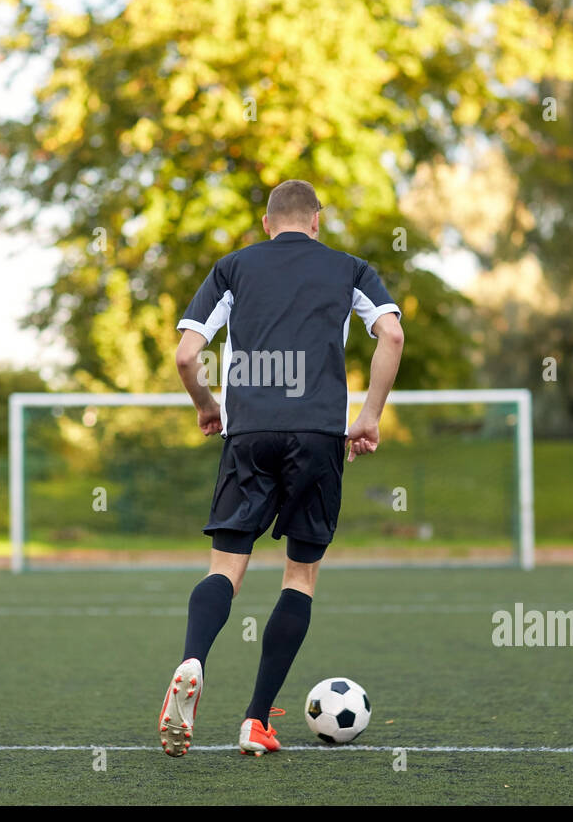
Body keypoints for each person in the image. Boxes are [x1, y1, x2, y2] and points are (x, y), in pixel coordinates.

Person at [158, 178, 404, 757]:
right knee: (299, 576)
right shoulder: (351, 269)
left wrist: (206, 406)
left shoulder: (232, 268)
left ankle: (193, 659)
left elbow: (185, 354)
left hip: (249, 433)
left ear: (267, 223)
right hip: (319, 434)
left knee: (226, 567)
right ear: (315, 221)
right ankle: (254, 722)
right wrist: (368, 416)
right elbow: (391, 333)